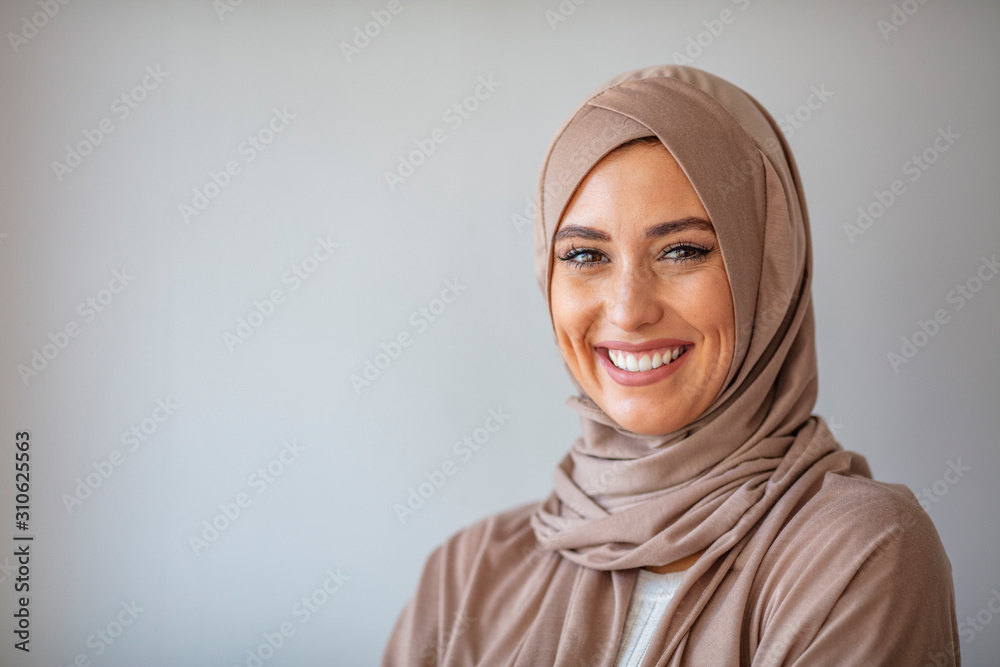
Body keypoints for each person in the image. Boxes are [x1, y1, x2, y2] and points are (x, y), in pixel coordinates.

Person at [381, 65, 960, 666]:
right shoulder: (465, 575)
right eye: (585, 255)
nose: (629, 310)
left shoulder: (857, 556)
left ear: (767, 272)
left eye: (682, 250)